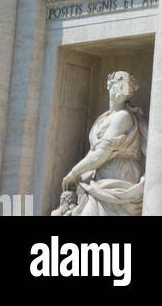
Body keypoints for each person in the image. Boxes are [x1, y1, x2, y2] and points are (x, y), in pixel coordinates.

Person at [53, 71, 147, 216]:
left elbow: (102, 153)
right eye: (118, 85)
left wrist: (74, 173)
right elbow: (94, 152)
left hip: (118, 176)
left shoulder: (123, 117)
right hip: (98, 177)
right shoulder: (103, 118)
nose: (121, 91)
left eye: (125, 88)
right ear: (109, 86)